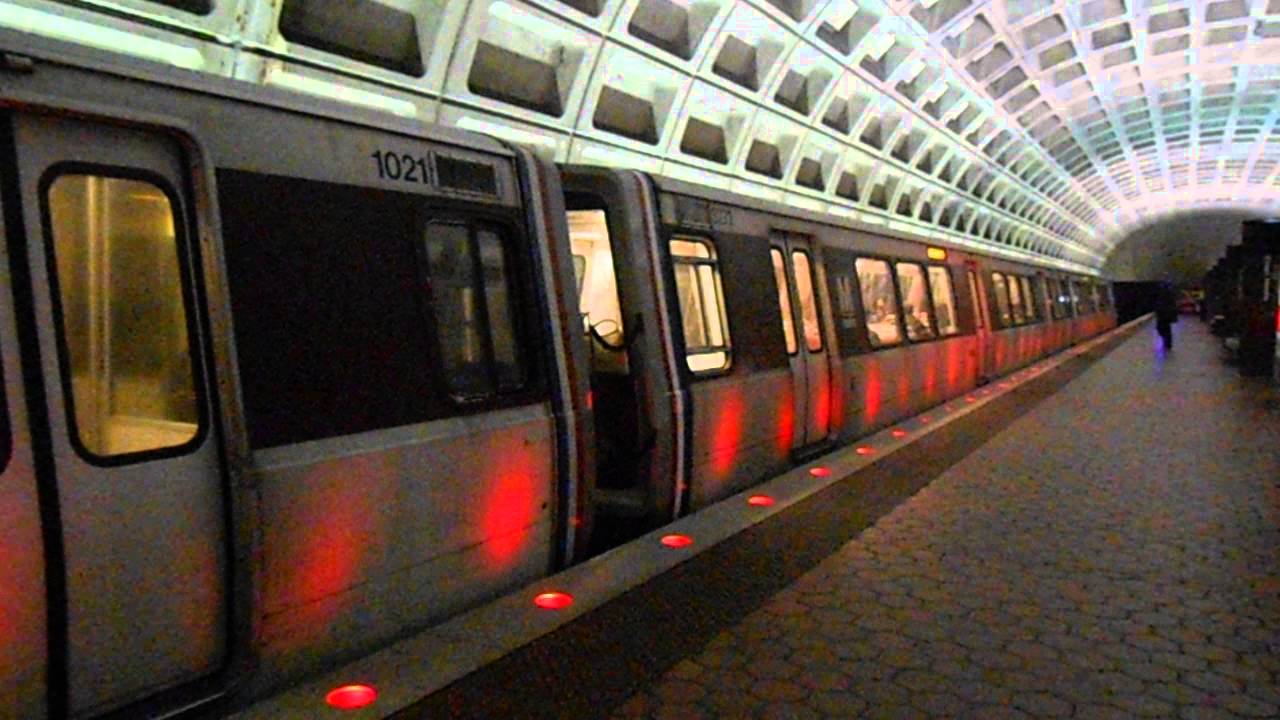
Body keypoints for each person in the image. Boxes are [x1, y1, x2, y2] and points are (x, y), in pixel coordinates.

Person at [1155, 282, 1177, 349]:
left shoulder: (1162, 294)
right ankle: (1167, 343)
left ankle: (1166, 342)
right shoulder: (1170, 294)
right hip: (1166, 314)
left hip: (1163, 314)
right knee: (1166, 329)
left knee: (1162, 328)